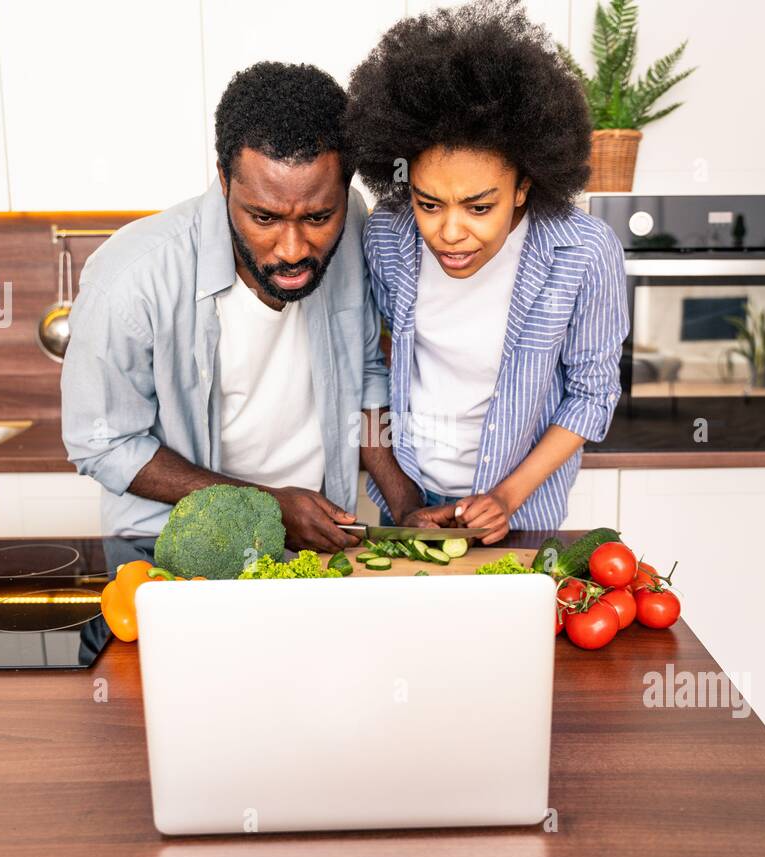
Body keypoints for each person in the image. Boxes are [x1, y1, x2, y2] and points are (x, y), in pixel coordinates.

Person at [62, 62, 420, 551]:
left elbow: (365, 374)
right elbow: (104, 444)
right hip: (168, 552)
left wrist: (404, 502)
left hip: (314, 544)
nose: (293, 248)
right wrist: (267, 506)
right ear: (225, 181)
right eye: (264, 217)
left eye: (318, 216)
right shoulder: (130, 280)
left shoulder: (355, 221)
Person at [346, 1, 630, 544]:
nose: (450, 233)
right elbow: (369, 369)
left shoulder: (583, 251)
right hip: (410, 506)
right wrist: (403, 497)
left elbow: (592, 393)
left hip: (522, 510)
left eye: (479, 207)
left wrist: (506, 497)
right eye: (429, 204)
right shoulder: (387, 236)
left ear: (524, 185)